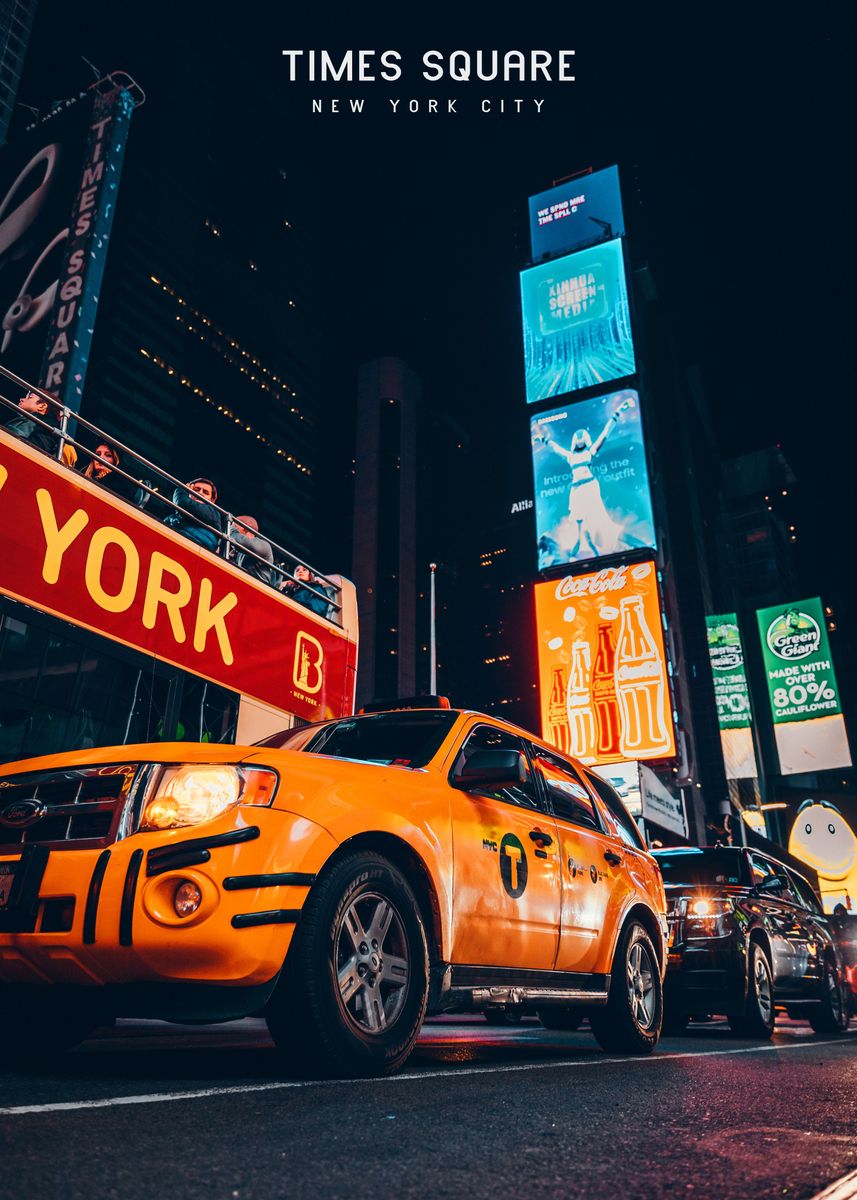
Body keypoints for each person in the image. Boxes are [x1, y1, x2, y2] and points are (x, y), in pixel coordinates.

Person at [163, 477, 223, 553]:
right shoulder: (173, 517)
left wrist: (183, 489)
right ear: (189, 493)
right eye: (196, 490)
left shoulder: (214, 513)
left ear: (212, 500)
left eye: (205, 492)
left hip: (195, 551)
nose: (200, 493)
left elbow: (182, 502)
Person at [2, 390, 59, 455]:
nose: (21, 399)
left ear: (42, 406)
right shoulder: (27, 420)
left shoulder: (49, 424)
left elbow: (37, 447)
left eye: (30, 397)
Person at [229, 515, 275, 586]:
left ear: (244, 526)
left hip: (258, 588)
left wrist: (232, 531)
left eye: (235, 525)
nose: (232, 527)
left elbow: (247, 544)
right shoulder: (240, 551)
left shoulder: (264, 545)